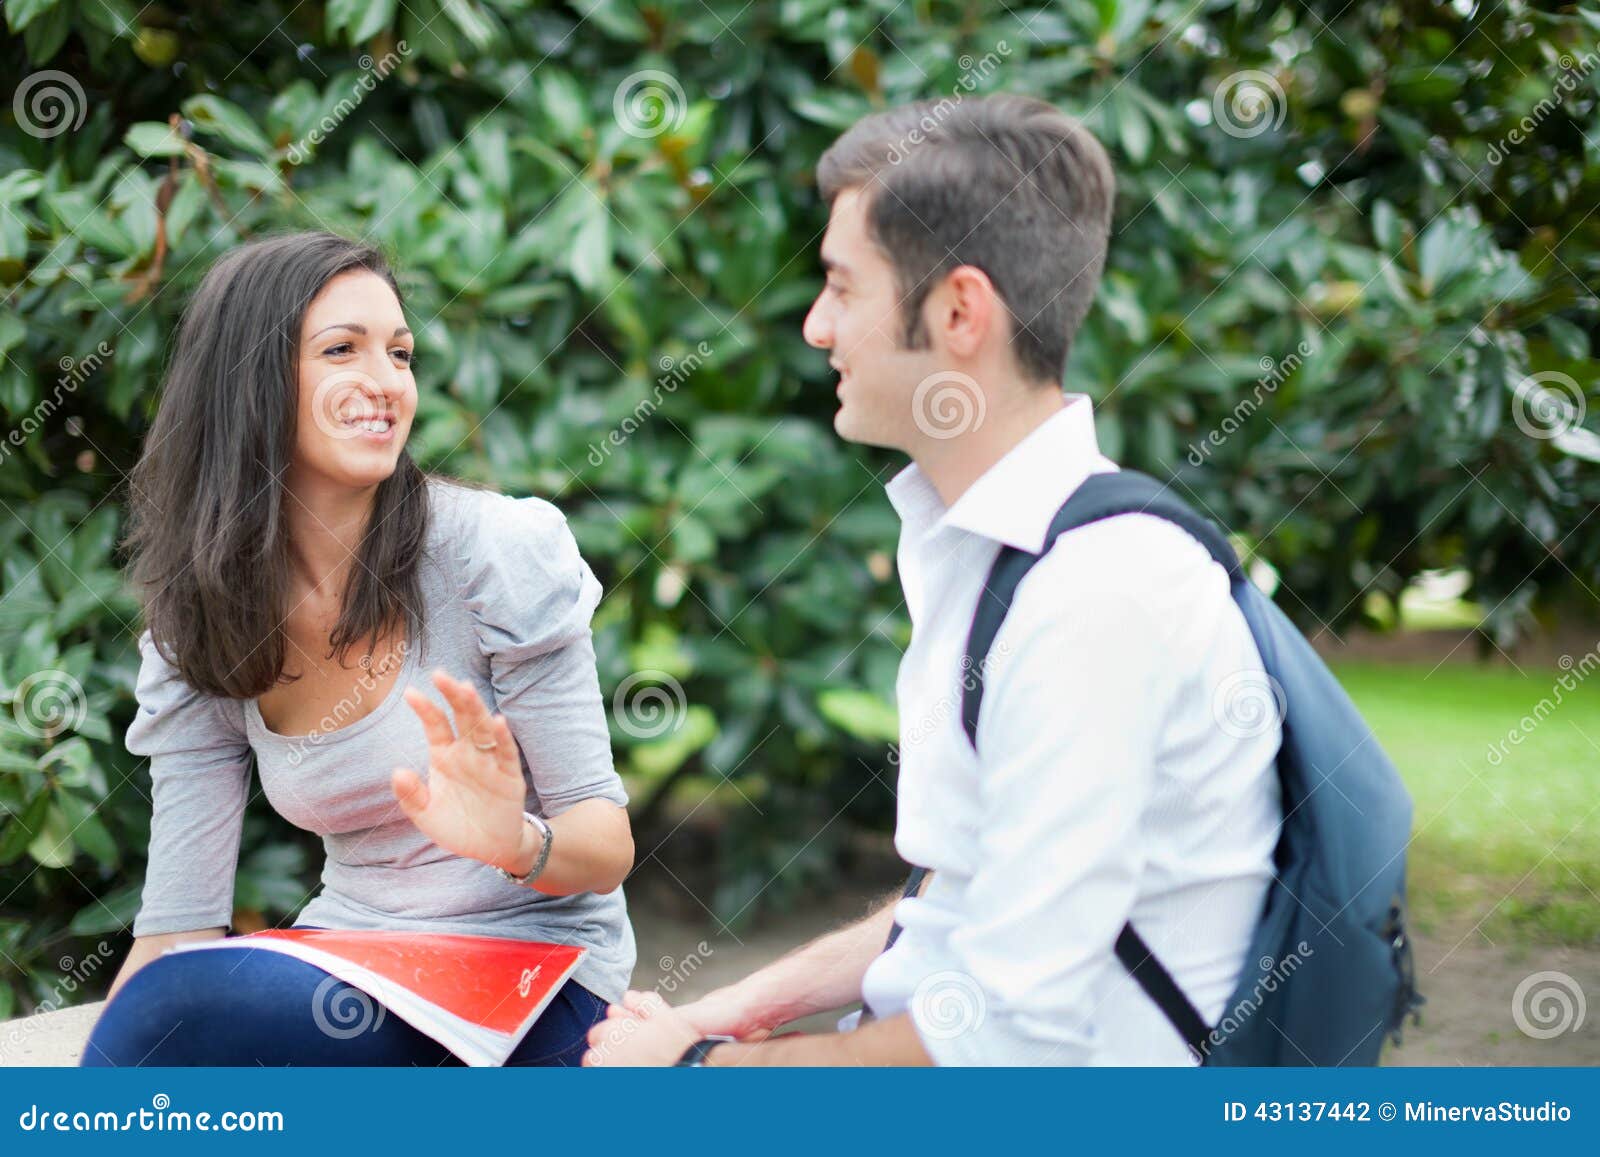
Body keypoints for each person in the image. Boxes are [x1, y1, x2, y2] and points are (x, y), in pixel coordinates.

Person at [583, 94, 1283, 1066]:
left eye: (840, 286)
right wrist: (727, 1009)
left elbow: (1007, 1041)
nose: (815, 327)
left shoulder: (1094, 595)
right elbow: (959, 902)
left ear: (959, 311)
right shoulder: (996, 547)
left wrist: (702, 1071)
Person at [82, 232, 635, 1067]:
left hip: (536, 974)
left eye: (401, 353)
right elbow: (178, 926)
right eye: (342, 349)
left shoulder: (494, 550)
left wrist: (514, 841)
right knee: (171, 1017)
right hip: (356, 960)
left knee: (199, 1010)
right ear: (248, 384)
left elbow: (605, 846)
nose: (387, 383)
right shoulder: (200, 616)